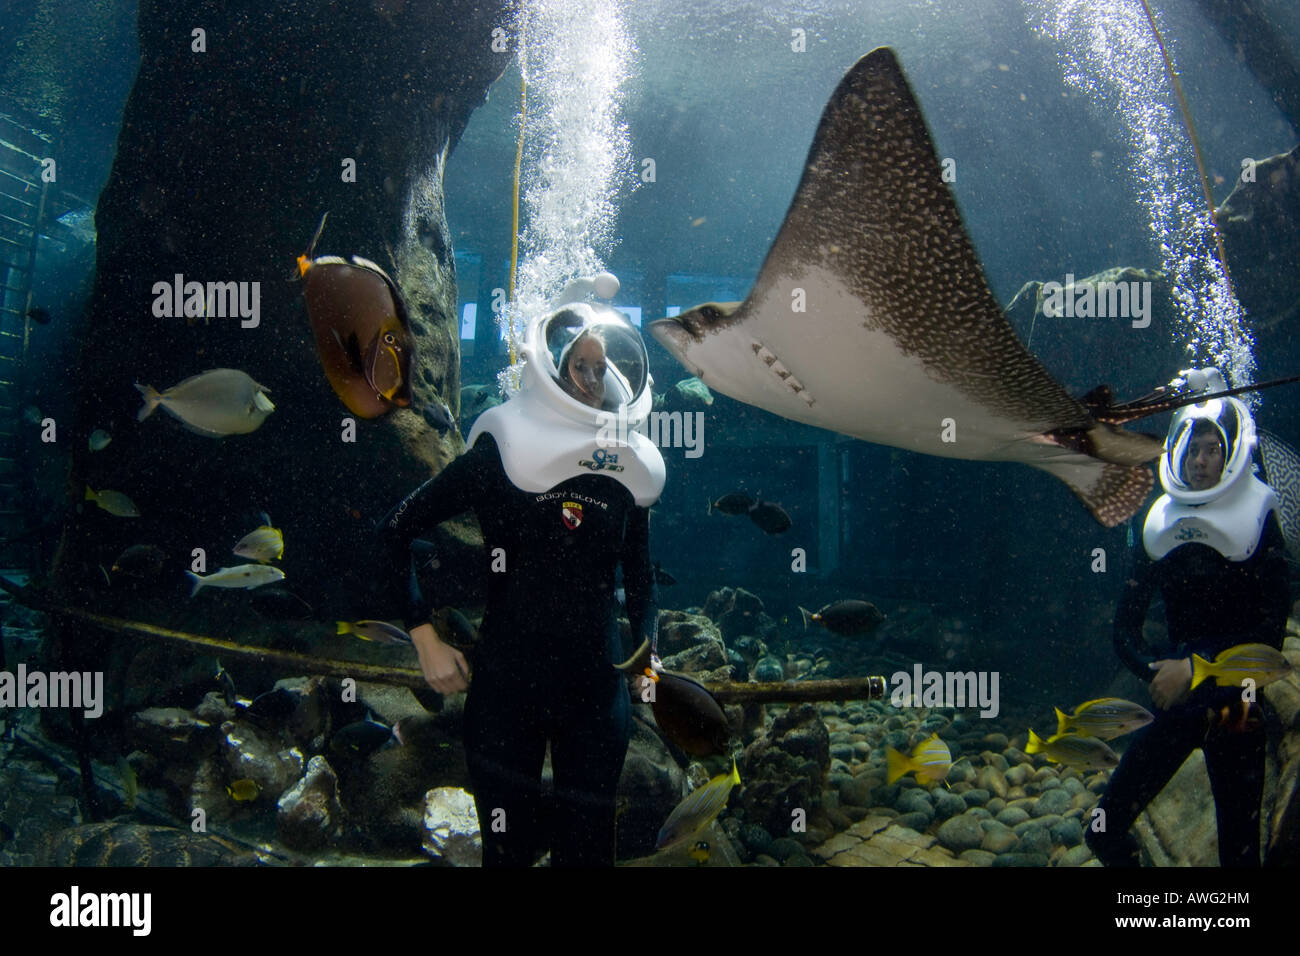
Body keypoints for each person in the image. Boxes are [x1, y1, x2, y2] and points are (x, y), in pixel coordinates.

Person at [376, 282, 665, 867]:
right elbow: (393, 531)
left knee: (588, 855)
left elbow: (639, 575)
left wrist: (648, 653)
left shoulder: (625, 469)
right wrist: (423, 636)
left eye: (600, 365)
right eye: (579, 364)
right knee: (507, 853)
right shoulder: (499, 453)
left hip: (598, 693)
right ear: (552, 372)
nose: (591, 377)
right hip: (508, 690)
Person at [1087, 368, 1289, 867]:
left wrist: (1192, 669)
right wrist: (1159, 672)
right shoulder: (1160, 521)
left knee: (1238, 861)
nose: (1201, 460)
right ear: (1179, 452)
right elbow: (1124, 630)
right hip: (1178, 698)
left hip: (1237, 705)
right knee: (1102, 831)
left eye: (1212, 449)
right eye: (1194, 448)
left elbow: (1268, 641)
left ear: (1232, 453)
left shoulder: (1261, 521)